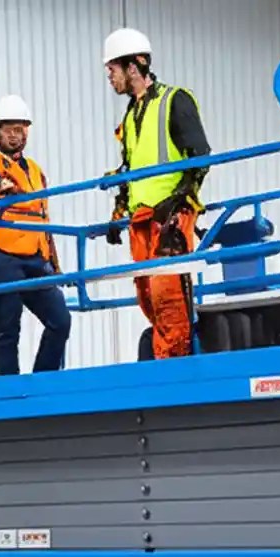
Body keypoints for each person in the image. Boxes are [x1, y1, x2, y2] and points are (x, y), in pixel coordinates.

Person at [102, 27, 211, 360]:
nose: (110, 77)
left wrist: (180, 202)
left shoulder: (174, 100)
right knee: (147, 297)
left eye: (112, 69)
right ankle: (167, 362)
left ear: (133, 66)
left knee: (169, 298)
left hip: (170, 219)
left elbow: (200, 157)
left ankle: (174, 369)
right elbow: (131, 167)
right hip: (141, 220)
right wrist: (118, 211)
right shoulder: (131, 114)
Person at [0, 94, 71, 376]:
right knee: (9, 327)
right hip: (2, 255)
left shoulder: (36, 171)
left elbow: (42, 216)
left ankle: (42, 381)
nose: (16, 135)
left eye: (21, 129)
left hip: (36, 257)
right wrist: (3, 186)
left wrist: (54, 263)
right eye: (10, 129)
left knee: (60, 320)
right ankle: (9, 388)